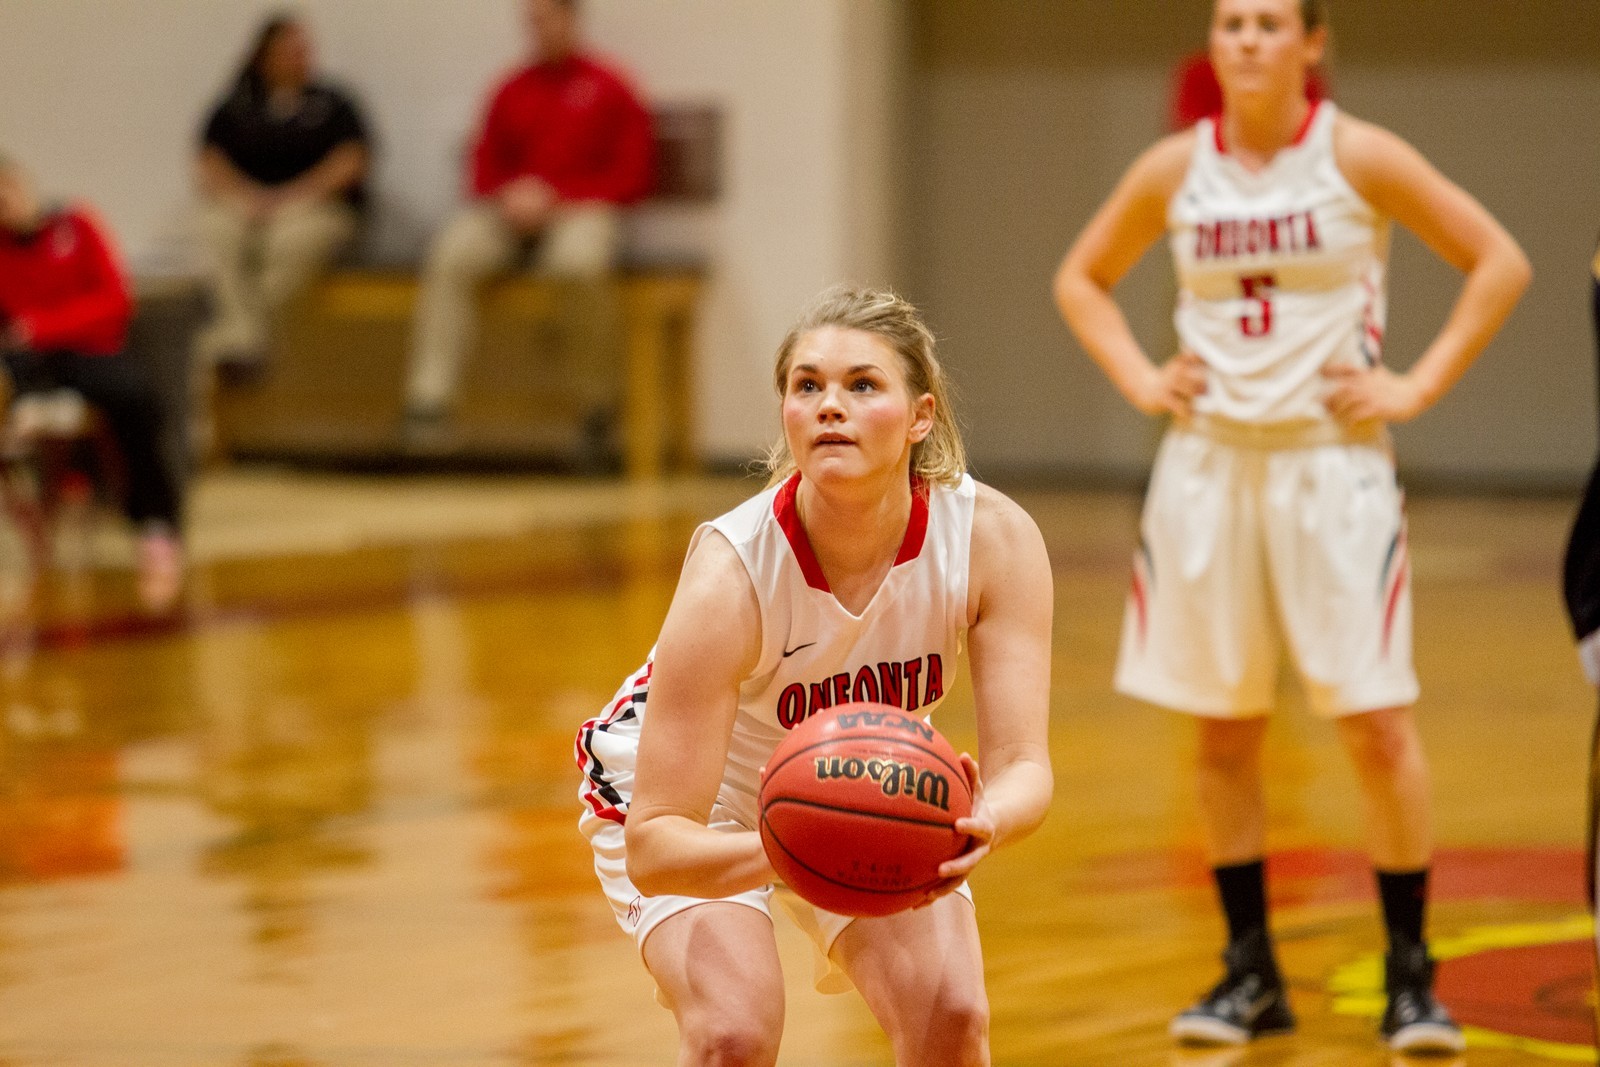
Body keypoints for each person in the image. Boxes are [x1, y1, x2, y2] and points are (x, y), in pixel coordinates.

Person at [1054, 0, 1530, 1053]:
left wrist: (1412, 384)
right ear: (1213, 43)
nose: (1248, 41)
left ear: (1313, 43)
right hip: (1207, 466)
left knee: (1375, 723)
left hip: (1331, 468)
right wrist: (1141, 375)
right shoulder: (1175, 168)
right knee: (1224, 730)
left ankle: (1413, 973)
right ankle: (1248, 969)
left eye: (1271, 22)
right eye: (1232, 23)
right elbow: (1079, 278)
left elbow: (1497, 260)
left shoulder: (1357, 156)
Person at [575, 286, 1054, 1066]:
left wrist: (986, 820)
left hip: (857, 772)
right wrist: (805, 840)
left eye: (862, 384)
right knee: (734, 1034)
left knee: (953, 1019)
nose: (830, 405)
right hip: (705, 793)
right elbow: (656, 844)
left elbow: (1025, 768)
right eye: (808, 386)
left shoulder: (992, 539)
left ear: (921, 415)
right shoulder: (731, 569)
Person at [406, 0, 653, 442]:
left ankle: (596, 408)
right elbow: (482, 168)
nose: (538, 30)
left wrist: (558, 199)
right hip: (512, 215)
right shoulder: (511, 88)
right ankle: (430, 402)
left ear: (572, 19)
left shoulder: (610, 84)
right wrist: (510, 196)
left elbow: (633, 176)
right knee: (453, 252)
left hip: (581, 210)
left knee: (578, 265)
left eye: (547, 19)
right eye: (531, 23)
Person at [0, 155, 187, 611]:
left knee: (136, 400)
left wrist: (43, 327)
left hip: (92, 351)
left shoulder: (77, 225)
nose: (8, 202)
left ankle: (156, 524)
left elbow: (115, 300)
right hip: (31, 365)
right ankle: (46, 513)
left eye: (10, 189)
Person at [194, 12, 370, 379]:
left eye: (304, 49)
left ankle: (243, 340)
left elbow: (351, 161)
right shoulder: (237, 106)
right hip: (250, 204)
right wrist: (249, 197)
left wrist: (292, 196)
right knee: (214, 229)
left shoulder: (332, 103)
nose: (300, 57)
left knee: (289, 241)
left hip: (313, 206)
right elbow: (209, 161)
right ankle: (241, 338)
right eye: (289, 50)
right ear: (263, 56)